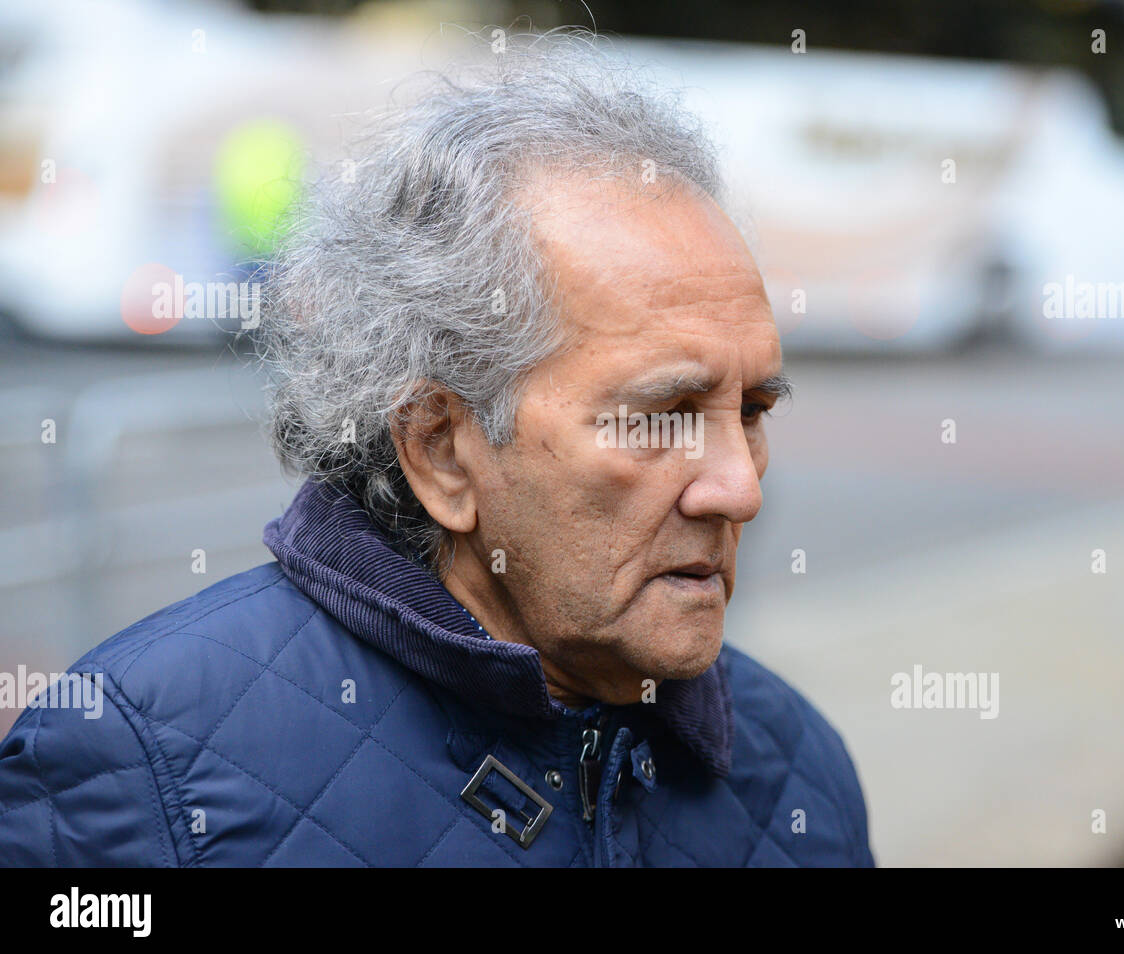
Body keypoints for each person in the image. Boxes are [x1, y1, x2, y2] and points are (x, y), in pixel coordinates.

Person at [0, 33, 875, 867]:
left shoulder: (796, 761)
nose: (738, 489)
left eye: (753, 410)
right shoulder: (143, 764)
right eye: (664, 416)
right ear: (441, 451)